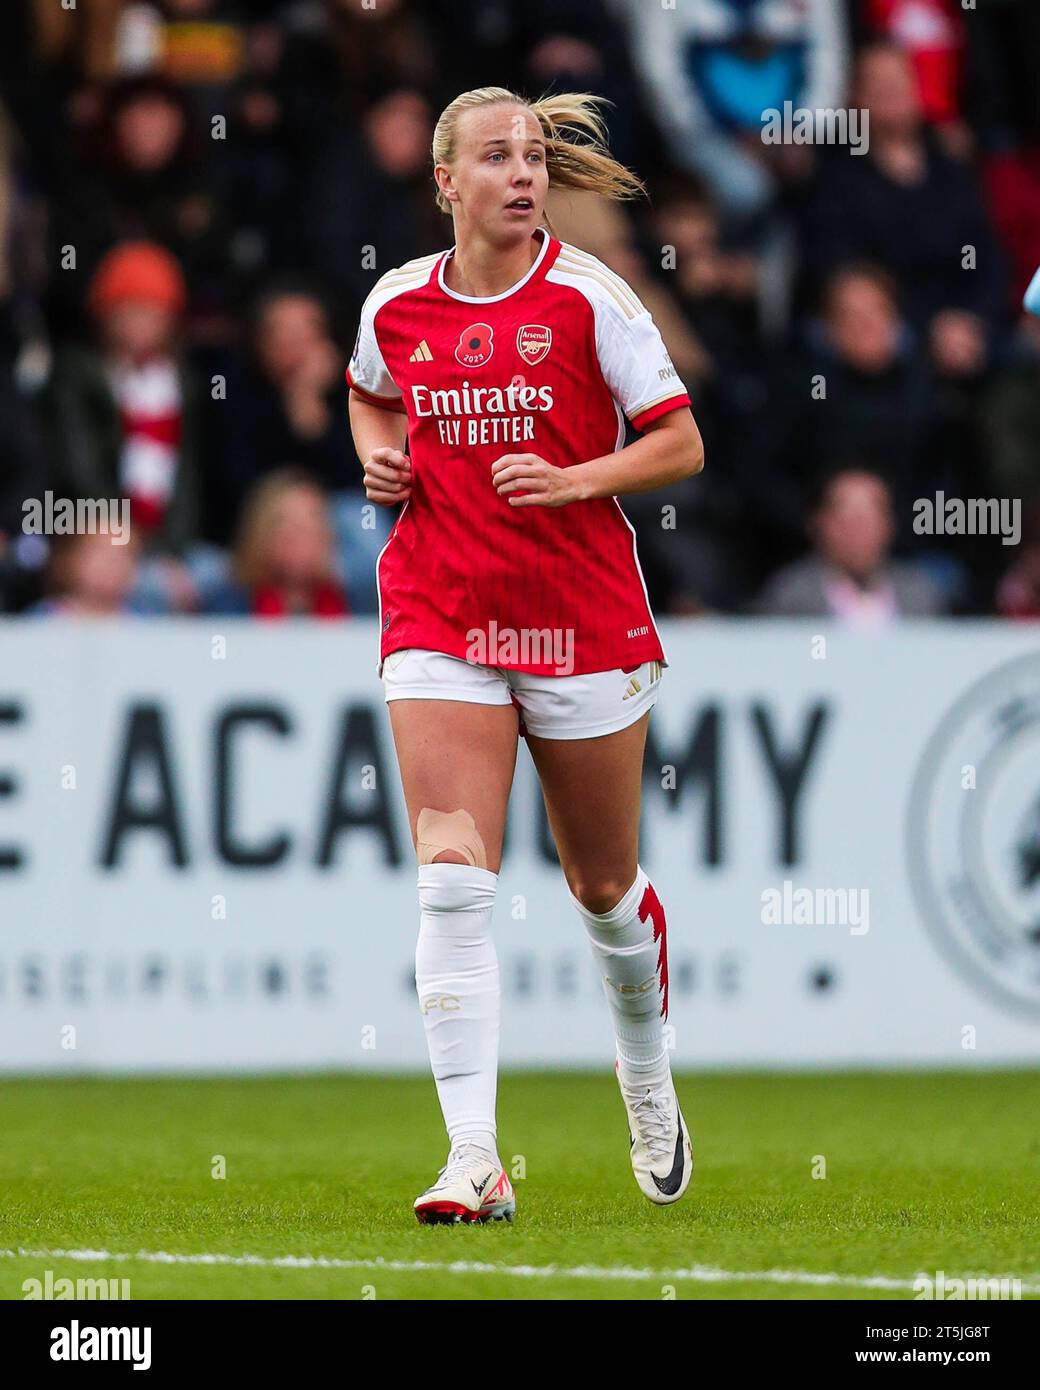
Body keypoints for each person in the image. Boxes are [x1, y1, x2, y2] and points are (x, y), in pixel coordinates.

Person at [347, 86, 704, 1224]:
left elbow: (680, 442)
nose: (522, 173)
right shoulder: (398, 301)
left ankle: (643, 1078)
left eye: (535, 156)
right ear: (444, 181)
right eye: (496, 157)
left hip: (574, 615)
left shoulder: (591, 295)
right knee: (452, 876)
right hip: (439, 607)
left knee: (601, 885)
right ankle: (473, 1156)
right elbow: (365, 395)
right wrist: (382, 460)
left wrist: (577, 478)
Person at [755, 469, 946, 622]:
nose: (858, 533)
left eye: (868, 521)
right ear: (820, 524)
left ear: (888, 525)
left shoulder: (920, 594)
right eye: (849, 521)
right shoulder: (790, 596)